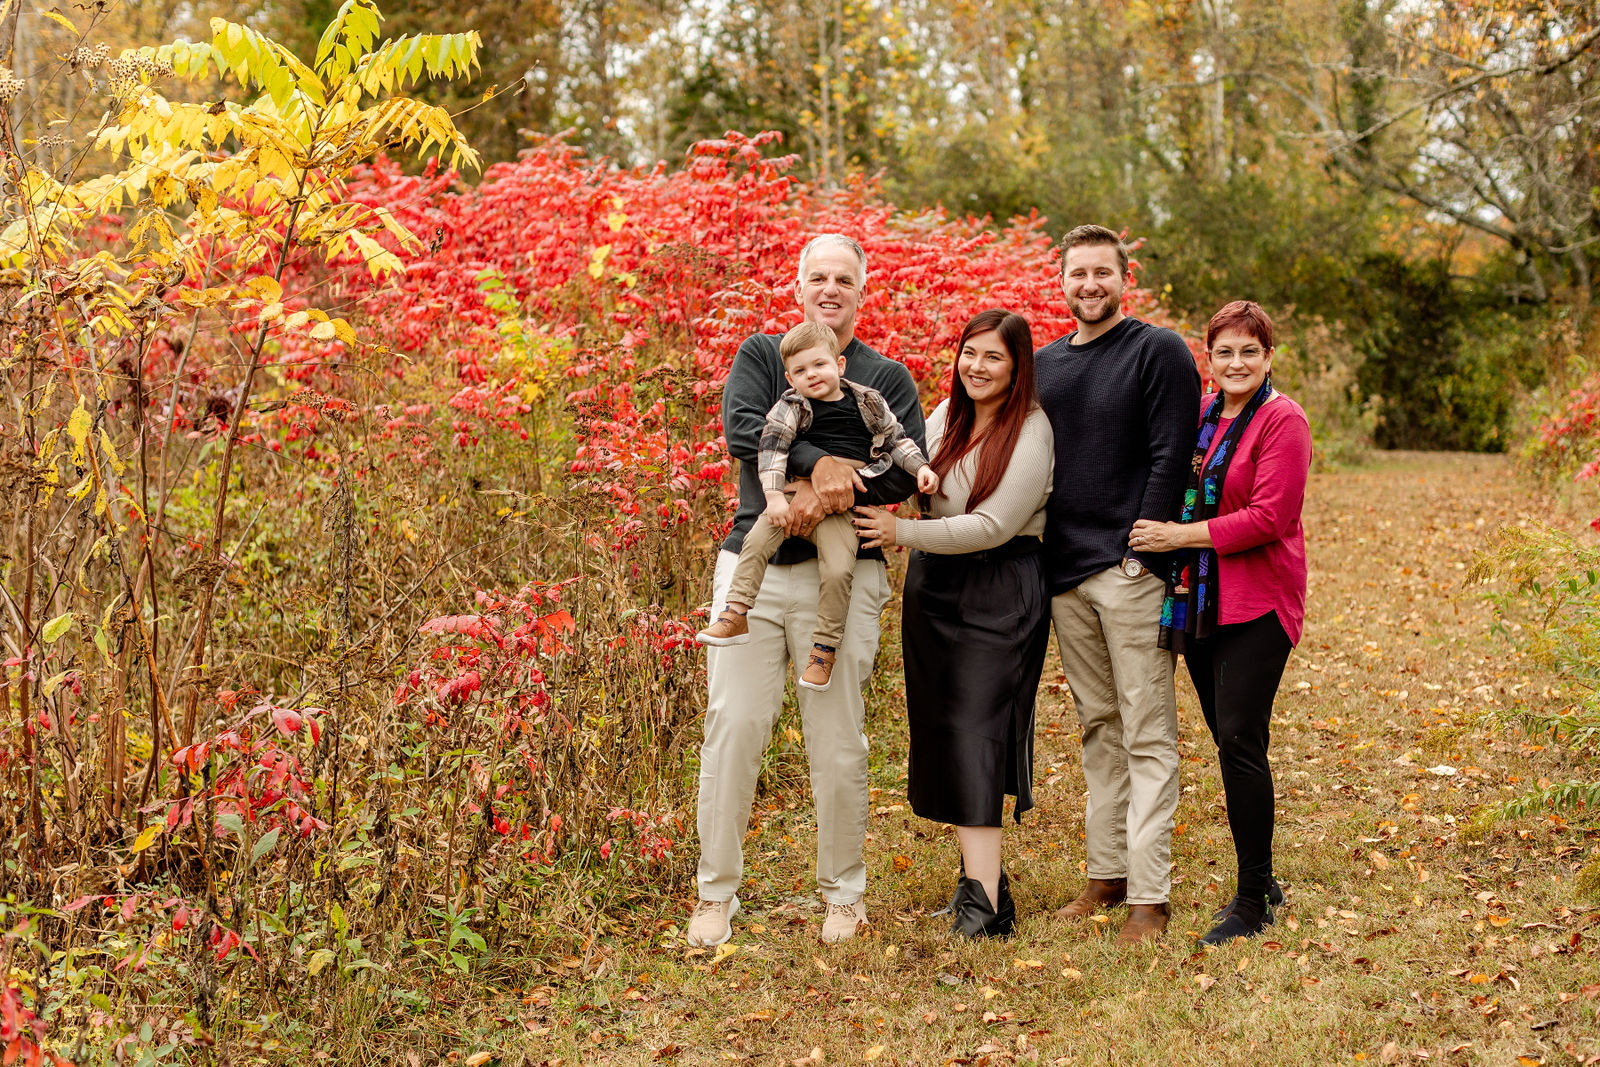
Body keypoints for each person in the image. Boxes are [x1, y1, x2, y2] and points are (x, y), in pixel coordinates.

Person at [686, 234, 927, 948]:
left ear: (863, 288)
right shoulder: (765, 353)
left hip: (843, 578)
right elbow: (744, 429)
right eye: (817, 276)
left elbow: (902, 472)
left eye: (843, 278)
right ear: (798, 285)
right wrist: (825, 463)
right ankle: (714, 894)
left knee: (838, 740)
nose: (830, 287)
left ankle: (844, 895)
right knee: (733, 728)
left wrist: (817, 488)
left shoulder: (889, 377)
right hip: (752, 571)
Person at [853, 308, 1054, 939]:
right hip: (936, 587)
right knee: (945, 729)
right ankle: (981, 883)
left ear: (1018, 367)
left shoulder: (1031, 430)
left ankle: (987, 908)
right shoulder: (947, 417)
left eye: (994, 357)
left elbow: (994, 525)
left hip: (999, 588)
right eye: (970, 353)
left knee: (977, 731)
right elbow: (901, 463)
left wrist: (902, 531)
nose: (977, 367)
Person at [1034, 224, 1201, 945]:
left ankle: (1150, 896)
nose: (1090, 285)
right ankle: (1107, 874)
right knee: (1098, 726)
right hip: (1065, 571)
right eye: (1078, 273)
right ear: (1061, 280)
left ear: (1123, 278)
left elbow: (1171, 451)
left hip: (1129, 570)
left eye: (1103, 272)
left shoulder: (1154, 350)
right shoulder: (1042, 363)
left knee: (1147, 731)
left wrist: (1145, 551)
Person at [1129, 300, 1311, 945]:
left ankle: (1253, 898)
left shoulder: (1282, 421)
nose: (1236, 364)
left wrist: (1181, 536)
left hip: (1257, 600)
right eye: (1224, 352)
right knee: (1228, 737)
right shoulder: (1203, 415)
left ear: (1269, 358)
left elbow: (1271, 517)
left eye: (1249, 352)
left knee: (1239, 738)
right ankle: (1265, 880)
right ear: (1209, 358)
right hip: (1200, 598)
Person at [697, 321, 938, 692]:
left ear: (840, 365)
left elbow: (896, 440)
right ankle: (736, 611)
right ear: (790, 379)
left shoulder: (870, 400)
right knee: (757, 540)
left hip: (844, 504)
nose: (812, 375)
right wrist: (778, 495)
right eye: (800, 371)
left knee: (841, 567)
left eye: (820, 366)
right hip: (791, 497)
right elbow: (770, 448)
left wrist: (920, 466)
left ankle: (824, 649)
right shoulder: (791, 406)